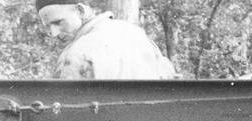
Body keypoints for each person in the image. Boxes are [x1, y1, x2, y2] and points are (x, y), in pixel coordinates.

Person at [35, 1, 175, 80]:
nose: (54, 33)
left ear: (80, 11)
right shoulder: (136, 33)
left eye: (58, 22)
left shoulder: (76, 53)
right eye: (48, 27)